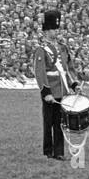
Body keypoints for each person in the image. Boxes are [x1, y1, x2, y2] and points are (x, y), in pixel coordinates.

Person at [32, 9, 80, 159]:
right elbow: (40, 73)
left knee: (61, 123)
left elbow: (68, 69)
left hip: (63, 91)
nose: (55, 31)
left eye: (56, 28)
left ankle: (59, 152)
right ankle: (48, 151)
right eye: (53, 29)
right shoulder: (41, 50)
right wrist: (46, 92)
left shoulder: (63, 48)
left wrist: (74, 85)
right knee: (48, 123)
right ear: (46, 31)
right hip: (51, 91)